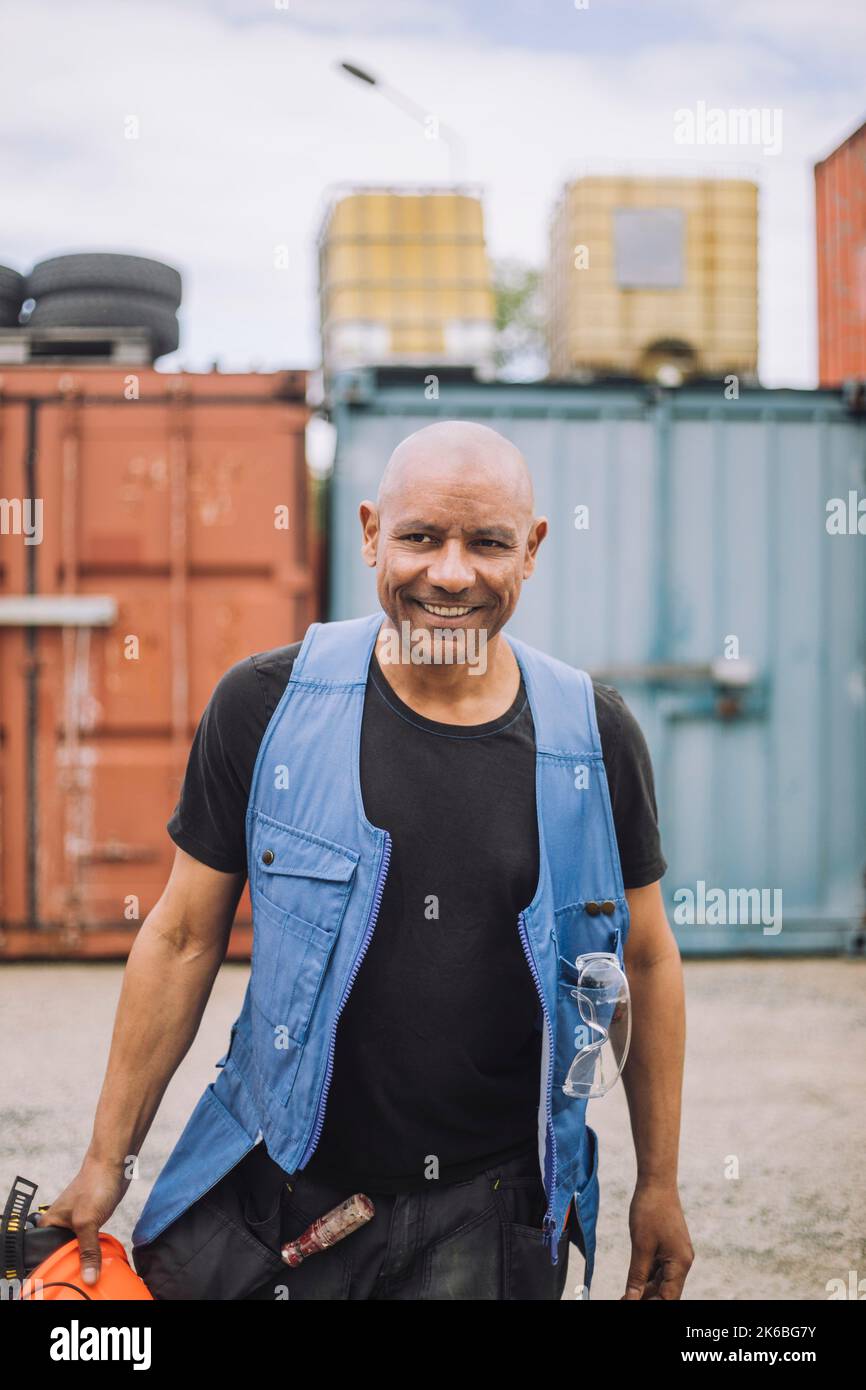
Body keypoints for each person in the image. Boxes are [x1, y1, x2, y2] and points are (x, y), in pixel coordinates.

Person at [38, 420, 693, 1300]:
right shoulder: (263, 707)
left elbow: (645, 961)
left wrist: (659, 1185)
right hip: (280, 1194)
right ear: (370, 532)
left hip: (489, 1217)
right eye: (421, 536)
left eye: (487, 543)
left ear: (531, 550)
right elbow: (183, 938)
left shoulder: (595, 739)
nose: (451, 573)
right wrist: (104, 1160)